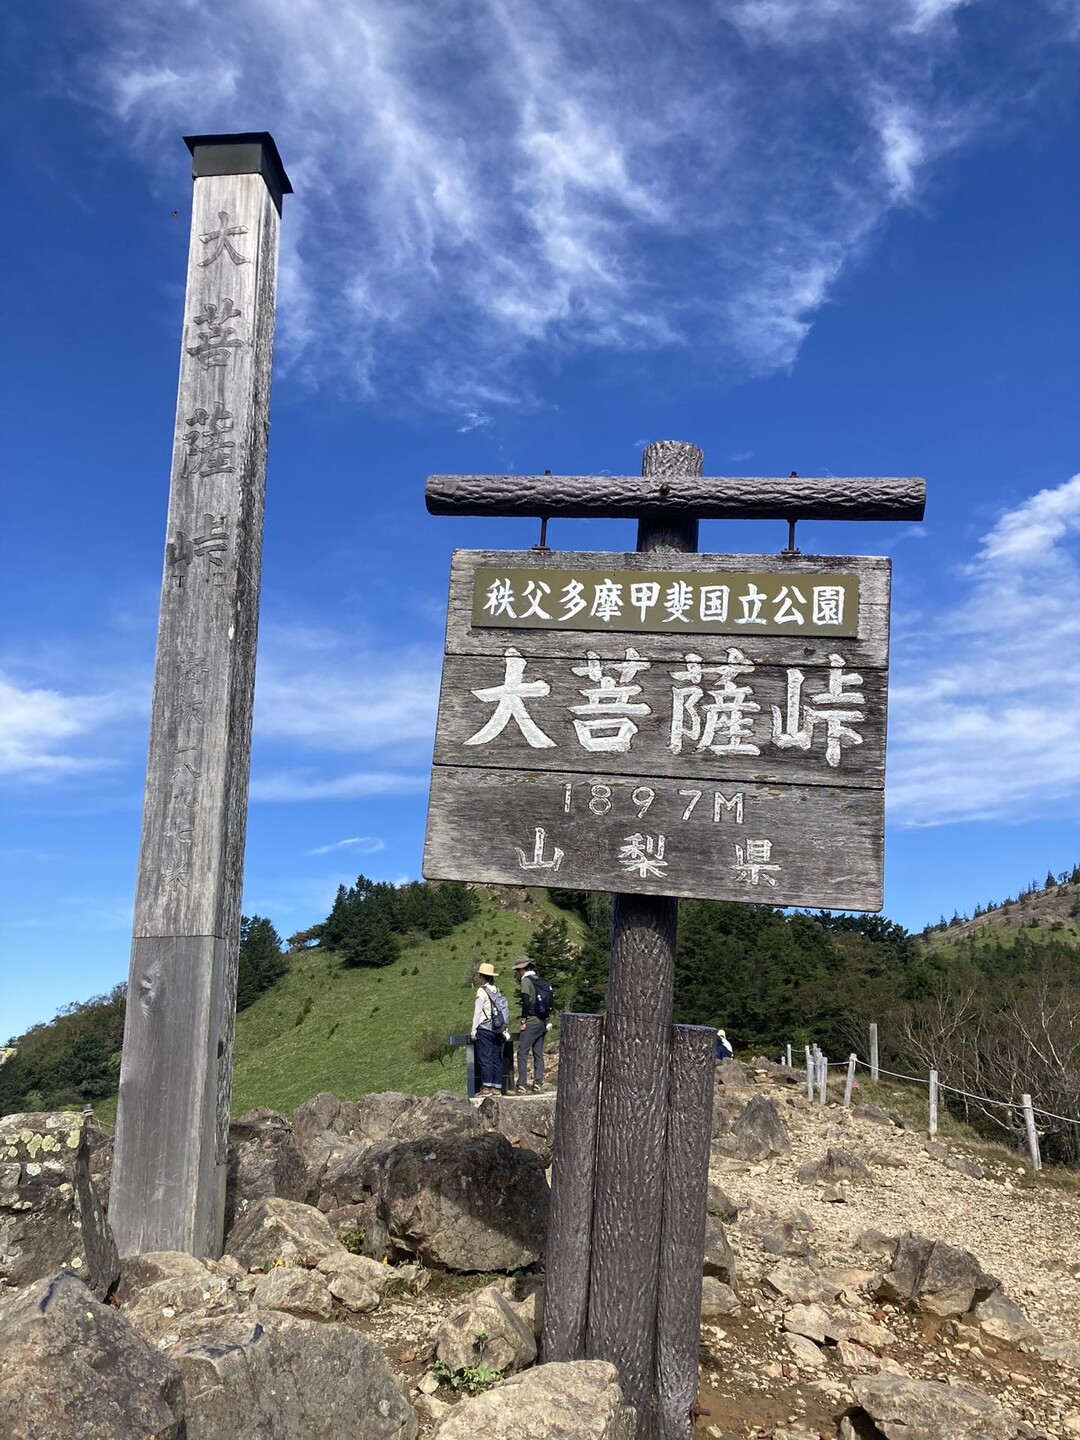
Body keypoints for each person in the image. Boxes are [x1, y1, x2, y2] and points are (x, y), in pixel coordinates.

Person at [514, 956, 551, 1092]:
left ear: (523, 968)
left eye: (518, 970)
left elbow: (526, 1002)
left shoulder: (526, 981)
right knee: (538, 1052)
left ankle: (522, 1084)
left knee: (522, 1051)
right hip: (543, 1021)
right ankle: (538, 1081)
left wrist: (523, 1021)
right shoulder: (539, 980)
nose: (518, 972)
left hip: (532, 1021)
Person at [470, 962, 508, 1095]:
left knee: (485, 1058)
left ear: (482, 976)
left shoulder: (482, 991)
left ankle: (486, 1086)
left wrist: (473, 1030)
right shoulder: (496, 990)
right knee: (497, 1057)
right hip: (497, 1028)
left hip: (485, 1028)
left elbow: (478, 1012)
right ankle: (497, 1087)